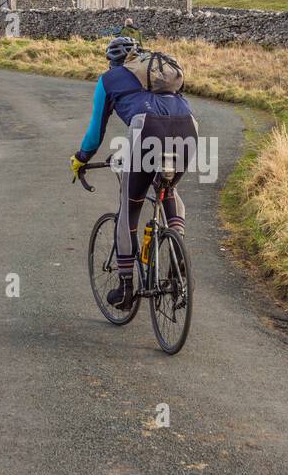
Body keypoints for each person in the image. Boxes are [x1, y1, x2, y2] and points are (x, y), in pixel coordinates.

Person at [71, 36, 197, 309]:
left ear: (112, 61)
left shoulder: (109, 79)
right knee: (168, 190)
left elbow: (95, 133)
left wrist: (81, 158)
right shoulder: (158, 71)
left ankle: (126, 289)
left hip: (147, 128)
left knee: (130, 208)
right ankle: (178, 260)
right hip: (188, 128)